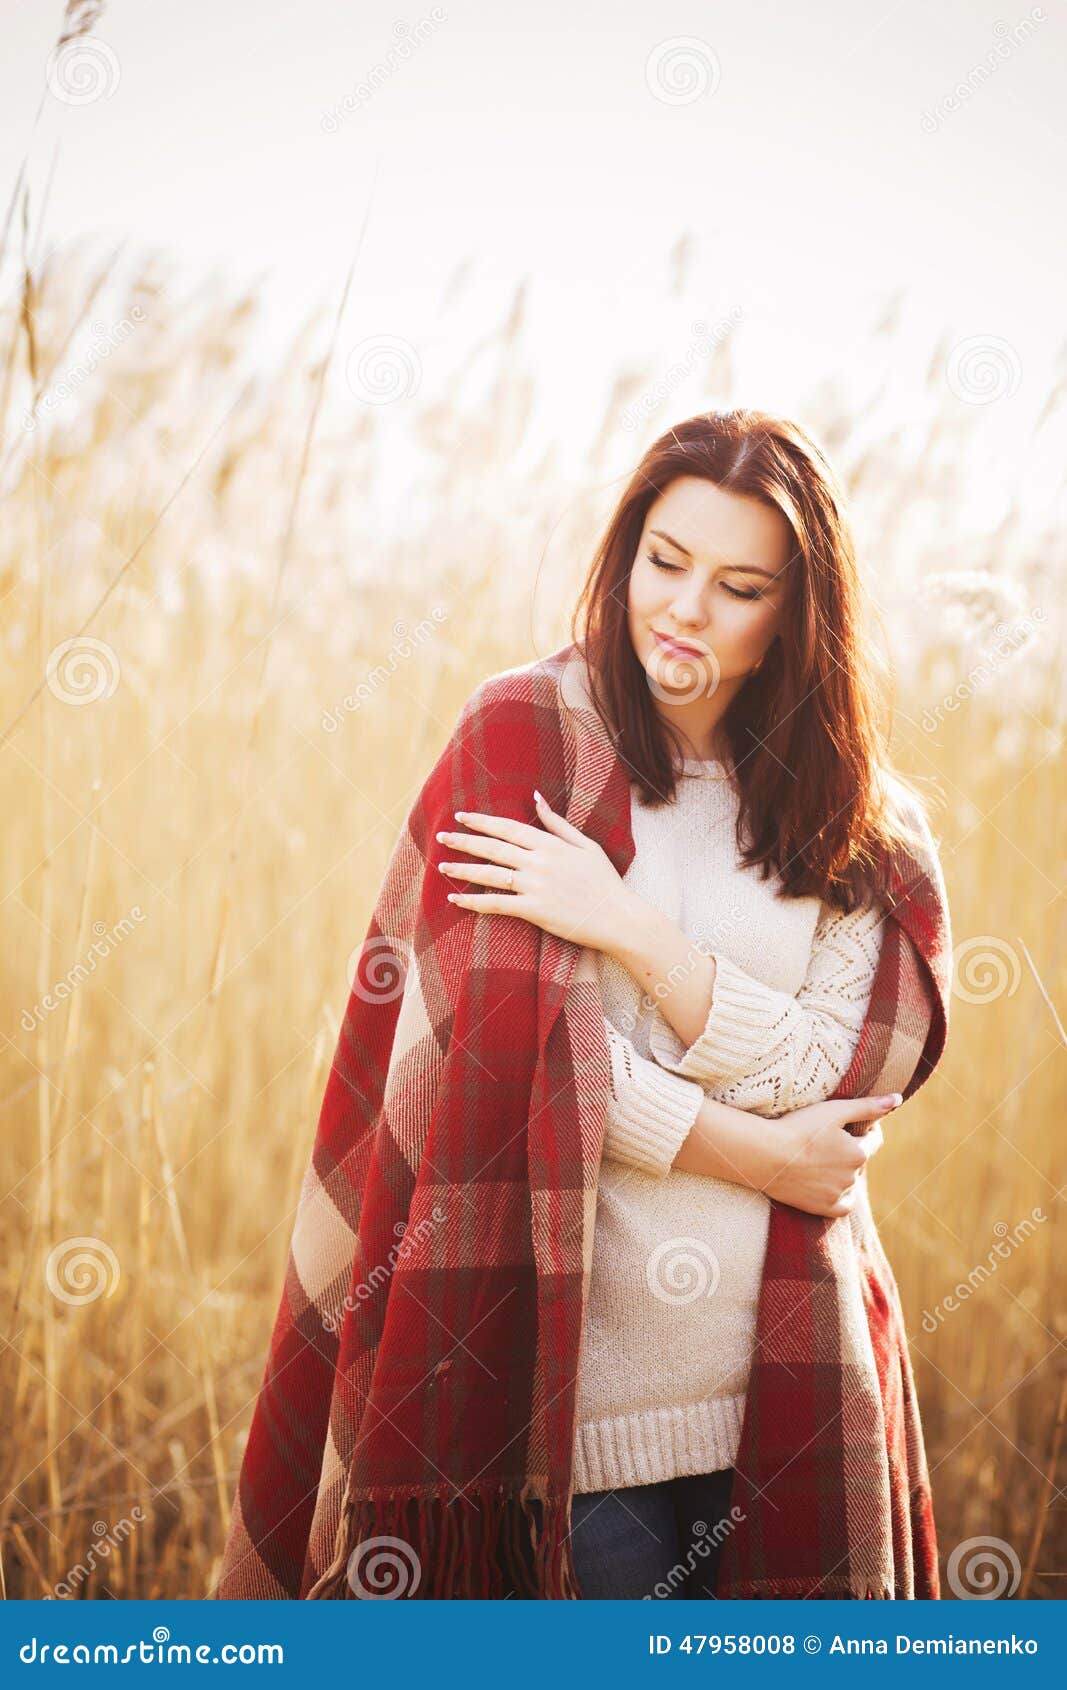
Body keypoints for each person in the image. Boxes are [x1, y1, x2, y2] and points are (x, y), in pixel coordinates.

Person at [214, 409, 950, 1601]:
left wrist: (629, 929)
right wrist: (762, 1154)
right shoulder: (524, 737)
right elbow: (502, 1064)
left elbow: (831, 1071)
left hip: (790, 1391)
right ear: (624, 554)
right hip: (566, 1412)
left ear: (795, 616)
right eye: (664, 561)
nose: (684, 609)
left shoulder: (858, 816)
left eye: (737, 587)